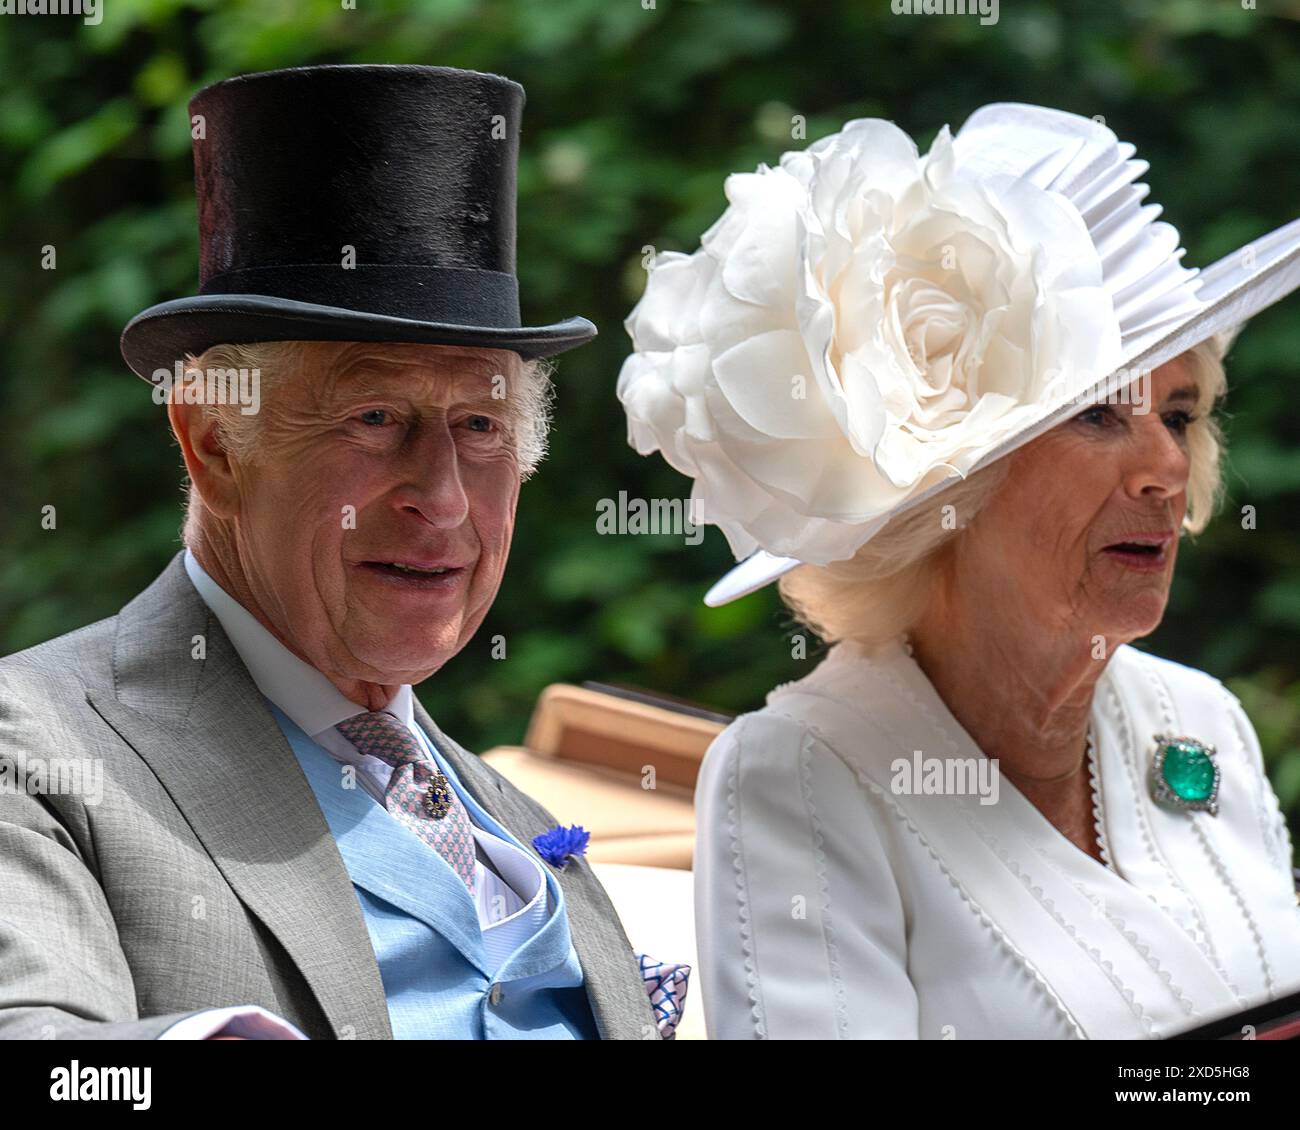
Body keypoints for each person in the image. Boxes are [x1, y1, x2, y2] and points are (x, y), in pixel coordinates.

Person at [0, 64, 679, 1041]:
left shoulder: (516, 817)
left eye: (481, 425)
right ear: (213, 444)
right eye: (373, 417)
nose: (441, 499)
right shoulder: (36, 751)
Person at [617, 102, 1300, 1038]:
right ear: (959, 488)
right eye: (1101, 414)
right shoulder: (802, 778)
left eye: (1178, 416)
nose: (1167, 469)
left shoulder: (1199, 718)